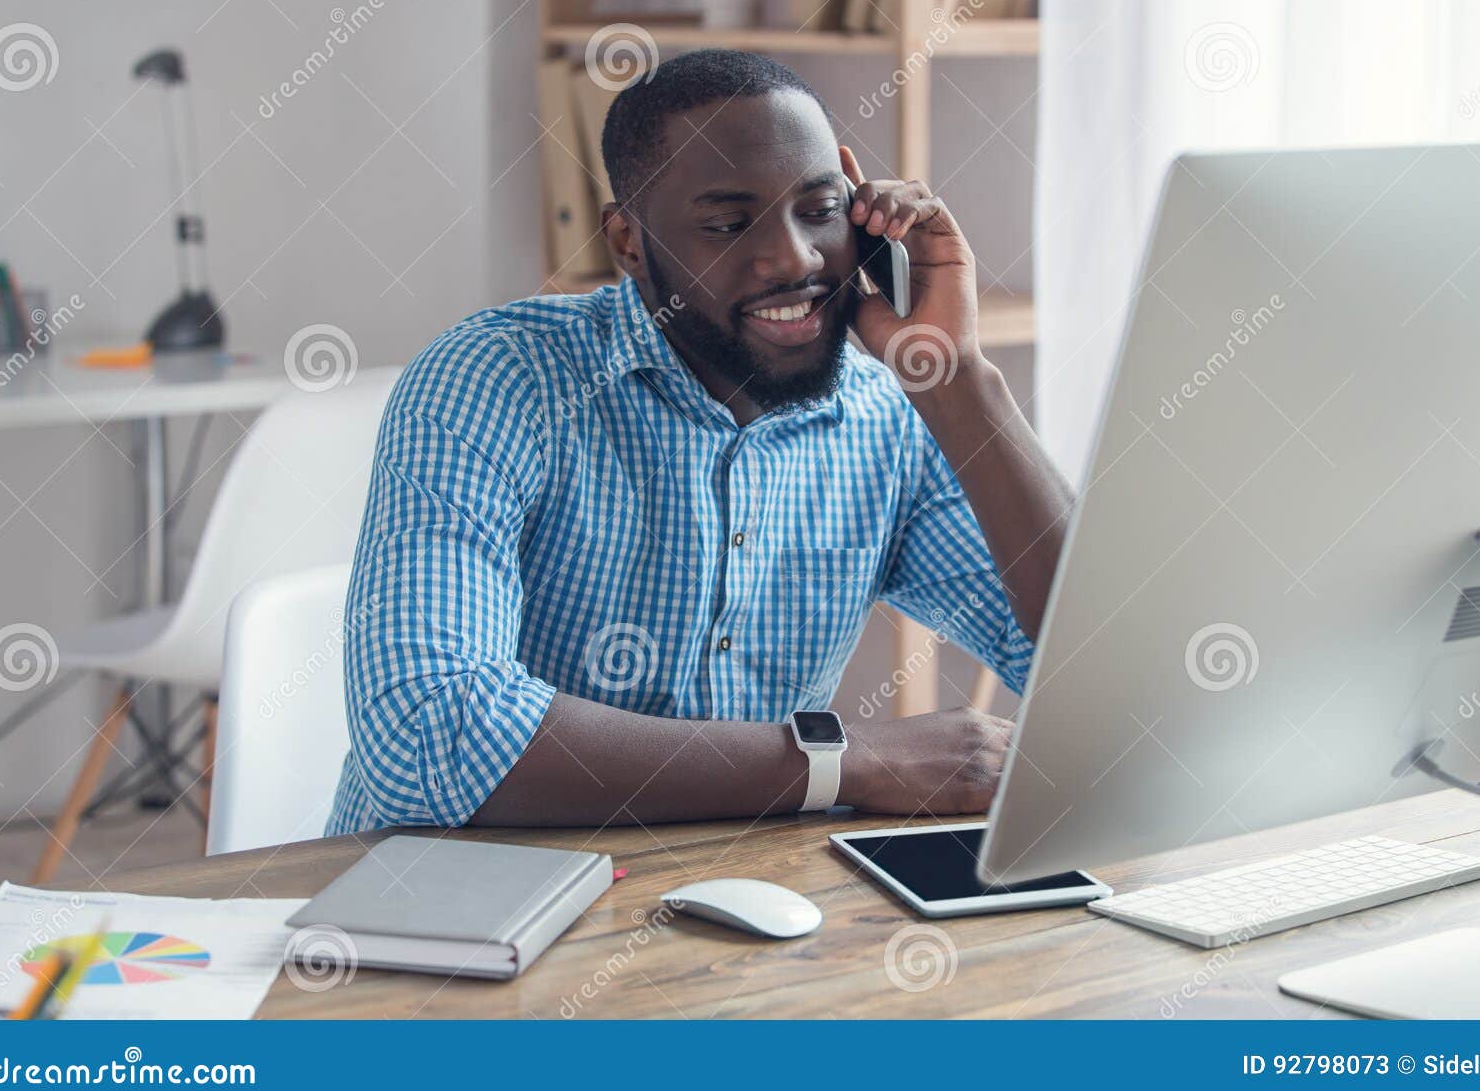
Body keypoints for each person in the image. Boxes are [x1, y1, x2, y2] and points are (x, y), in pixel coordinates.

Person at [325, 49, 1072, 834]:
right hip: (445, 917)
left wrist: (958, 383)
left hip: (736, 910)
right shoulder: (494, 382)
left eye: (819, 209)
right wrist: (840, 759)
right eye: (727, 223)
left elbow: (1091, 669)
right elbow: (424, 739)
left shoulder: (886, 417)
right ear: (630, 242)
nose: (793, 257)